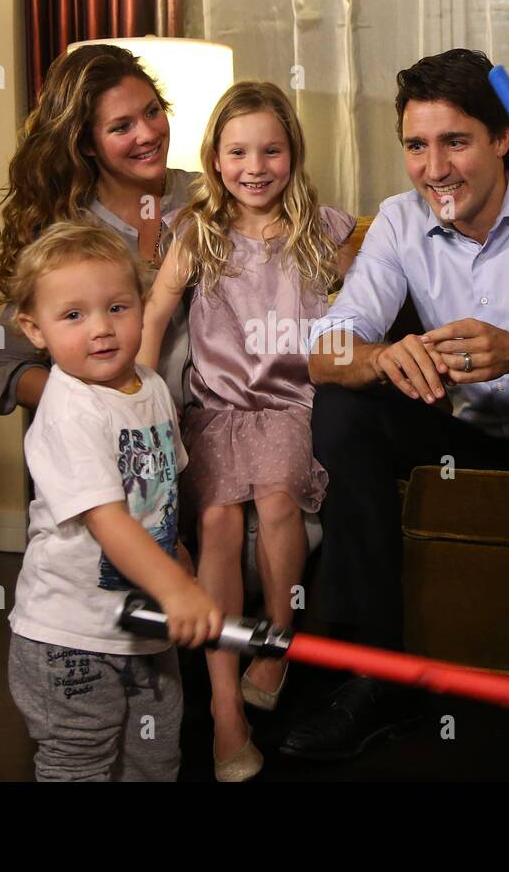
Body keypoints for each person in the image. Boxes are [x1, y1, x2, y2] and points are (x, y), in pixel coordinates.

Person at [286, 48, 509, 781]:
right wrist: (379, 358)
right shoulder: (396, 220)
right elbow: (324, 350)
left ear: (502, 137)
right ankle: (380, 678)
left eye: (454, 142)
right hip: (457, 425)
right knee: (341, 407)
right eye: (416, 147)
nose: (434, 168)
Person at [140, 82, 357, 781]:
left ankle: (278, 640)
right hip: (217, 408)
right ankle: (226, 706)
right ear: (214, 156)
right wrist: (137, 399)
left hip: (291, 405)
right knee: (218, 521)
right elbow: (154, 313)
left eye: (271, 150)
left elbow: (364, 313)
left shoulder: (324, 230)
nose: (254, 166)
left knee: (276, 500)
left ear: (293, 154)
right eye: (237, 151)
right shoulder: (194, 228)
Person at [5, 222, 223, 782]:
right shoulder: (69, 410)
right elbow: (109, 520)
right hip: (70, 635)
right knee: (81, 761)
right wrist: (176, 589)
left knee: (154, 757)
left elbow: (160, 495)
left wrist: (177, 560)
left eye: (118, 308)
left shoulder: (150, 387)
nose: (101, 329)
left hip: (145, 627)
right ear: (35, 328)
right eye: (73, 315)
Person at [0, 43, 195, 412]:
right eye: (121, 127)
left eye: (152, 112)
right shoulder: (67, 232)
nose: (147, 134)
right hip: (103, 453)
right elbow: (7, 363)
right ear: (87, 143)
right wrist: (97, 411)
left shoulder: (211, 198)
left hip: (215, 447)